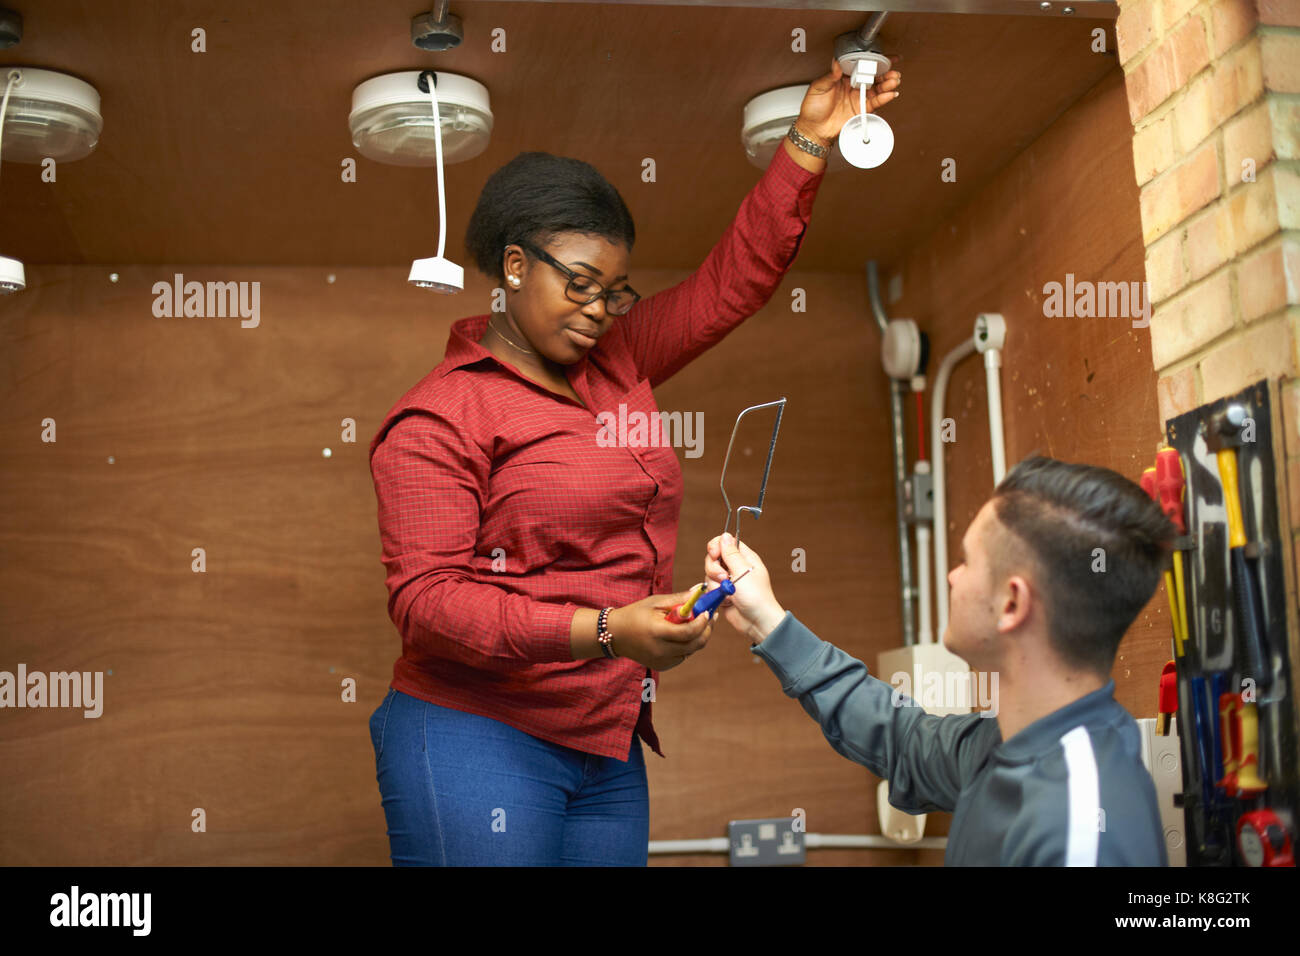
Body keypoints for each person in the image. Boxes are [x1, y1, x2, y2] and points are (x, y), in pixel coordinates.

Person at [366, 59, 903, 865]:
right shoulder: (439, 416)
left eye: (615, 292)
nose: (598, 311)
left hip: (606, 740)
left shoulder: (616, 359)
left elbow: (732, 285)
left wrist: (809, 139)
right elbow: (429, 603)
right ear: (514, 267)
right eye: (579, 285)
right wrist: (609, 630)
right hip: (473, 731)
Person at [703, 455, 1175, 865]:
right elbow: (902, 739)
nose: (953, 577)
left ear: (1012, 604)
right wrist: (768, 621)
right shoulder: (1016, 742)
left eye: (967, 561)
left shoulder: (1078, 831)